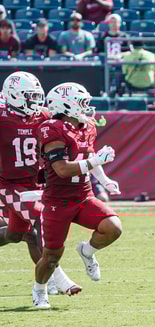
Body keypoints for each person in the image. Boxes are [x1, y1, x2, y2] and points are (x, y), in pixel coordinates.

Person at [34, 82, 123, 309]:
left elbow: (89, 154)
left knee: (113, 227)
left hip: (83, 196)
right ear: (66, 105)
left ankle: (87, 251)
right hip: (57, 201)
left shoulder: (87, 126)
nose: (86, 107)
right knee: (51, 256)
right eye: (82, 103)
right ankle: (40, 290)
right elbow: (62, 169)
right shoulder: (51, 128)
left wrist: (104, 180)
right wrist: (95, 161)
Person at [0, 72, 80, 299]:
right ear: (13, 95)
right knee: (40, 219)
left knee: (17, 234)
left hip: (35, 182)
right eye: (28, 96)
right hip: (8, 184)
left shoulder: (43, 115)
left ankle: (49, 275)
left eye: (36, 96)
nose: (33, 102)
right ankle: (58, 278)